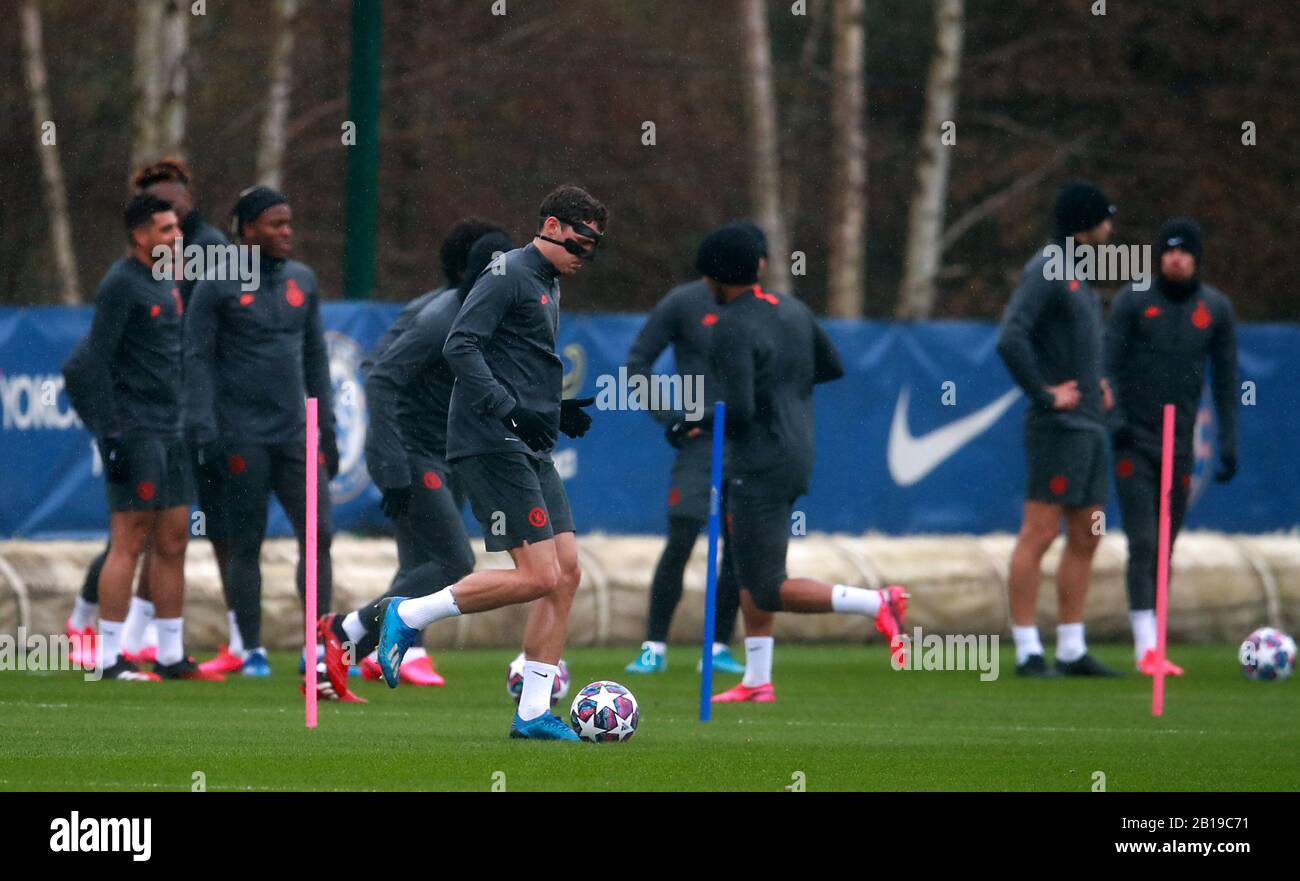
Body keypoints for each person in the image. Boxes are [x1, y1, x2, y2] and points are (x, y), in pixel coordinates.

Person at [376, 185, 605, 741]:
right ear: (551, 225)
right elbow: (461, 345)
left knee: (566, 573)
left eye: (596, 246)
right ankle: (407, 615)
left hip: (526, 442)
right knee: (539, 575)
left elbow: (517, 361)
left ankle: (531, 713)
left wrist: (556, 409)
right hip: (490, 441)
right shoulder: (506, 274)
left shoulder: (548, 282)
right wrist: (509, 411)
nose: (587, 254)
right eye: (582, 241)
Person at [696, 224, 908, 704]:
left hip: (758, 461)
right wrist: (785, 387)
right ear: (760, 267)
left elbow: (742, 410)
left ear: (714, 277)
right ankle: (757, 679)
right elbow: (832, 366)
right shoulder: (792, 310)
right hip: (795, 451)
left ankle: (878, 602)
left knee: (768, 586)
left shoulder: (730, 324)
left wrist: (693, 423)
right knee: (752, 569)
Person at [319, 231, 515, 695]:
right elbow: (380, 375)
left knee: (417, 568)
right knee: (454, 561)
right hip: (414, 453)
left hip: (452, 452)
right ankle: (342, 630)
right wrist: (389, 464)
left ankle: (341, 661)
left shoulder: (486, 312)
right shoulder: (439, 318)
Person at [67, 158, 231, 668]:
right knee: (129, 541)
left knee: (175, 538)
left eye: (178, 226)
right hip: (135, 431)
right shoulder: (120, 284)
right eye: (167, 228)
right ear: (141, 237)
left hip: (174, 430)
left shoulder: (170, 281)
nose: (178, 234)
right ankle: (110, 658)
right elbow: (92, 364)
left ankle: (171, 654)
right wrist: (109, 433)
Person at [184, 185, 339, 692]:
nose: (287, 232)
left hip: (296, 435)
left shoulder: (303, 280)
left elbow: (315, 359)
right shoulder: (217, 283)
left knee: (317, 536)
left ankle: (316, 644)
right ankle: (249, 648)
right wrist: (204, 425)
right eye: (276, 223)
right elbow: (198, 358)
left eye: (289, 222)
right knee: (245, 541)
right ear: (247, 229)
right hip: (240, 436)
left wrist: (328, 429)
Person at [622, 223, 772, 677]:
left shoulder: (770, 310)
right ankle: (654, 646)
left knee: (738, 548)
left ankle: (718, 646)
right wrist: (672, 417)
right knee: (682, 539)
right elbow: (636, 364)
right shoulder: (685, 301)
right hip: (699, 445)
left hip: (749, 447)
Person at [996, 180, 1120, 677]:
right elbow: (1011, 337)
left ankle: (1071, 647)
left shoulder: (1079, 274)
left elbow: (1073, 342)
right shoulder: (1048, 265)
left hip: (1090, 424)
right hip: (1058, 428)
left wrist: (1099, 383)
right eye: (1105, 219)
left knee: (1088, 533)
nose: (1111, 229)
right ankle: (1027, 648)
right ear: (1085, 224)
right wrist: (1045, 394)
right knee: (1040, 533)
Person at [1105, 217, 1238, 674]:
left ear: (1197, 257)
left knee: (1166, 546)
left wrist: (1227, 441)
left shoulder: (1215, 308)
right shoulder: (1134, 300)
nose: (1175, 258)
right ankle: (1145, 648)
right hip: (1134, 441)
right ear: (1159, 256)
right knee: (1142, 541)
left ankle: (1157, 643)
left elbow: (1224, 380)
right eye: (1168, 251)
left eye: (1184, 251)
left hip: (1180, 445)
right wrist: (1116, 421)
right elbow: (1108, 368)